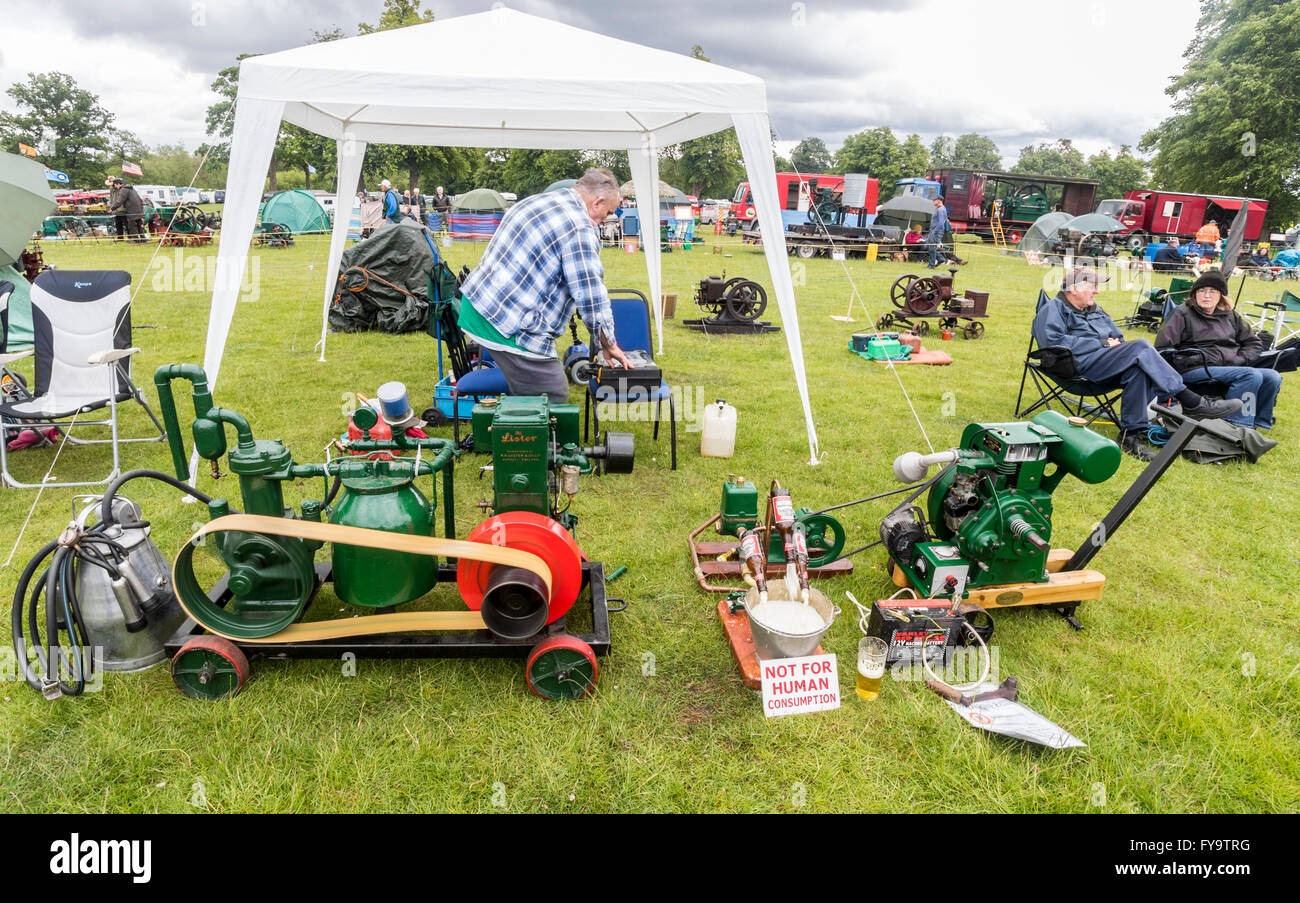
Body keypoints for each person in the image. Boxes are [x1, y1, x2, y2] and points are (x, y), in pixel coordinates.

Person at [458, 168, 631, 404]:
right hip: (506, 323)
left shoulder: (540, 200)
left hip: (478, 305)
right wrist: (608, 343)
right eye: (606, 214)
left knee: (532, 394)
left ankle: (515, 431)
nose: (602, 222)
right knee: (551, 395)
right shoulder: (580, 227)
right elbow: (590, 294)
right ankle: (527, 440)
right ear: (597, 201)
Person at [1033, 266, 1242, 460]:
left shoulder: (1095, 310)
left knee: (1138, 369)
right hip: (1076, 367)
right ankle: (1190, 400)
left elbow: (1118, 337)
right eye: (1092, 286)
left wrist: (1114, 346)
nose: (1097, 291)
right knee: (1141, 346)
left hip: (1104, 364)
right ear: (1075, 288)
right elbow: (1052, 342)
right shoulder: (1054, 308)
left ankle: (1130, 436)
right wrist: (1101, 343)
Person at [1156, 272, 1284, 430]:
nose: (1206, 296)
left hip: (1229, 366)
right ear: (1194, 294)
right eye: (1201, 291)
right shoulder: (1181, 314)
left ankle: (1261, 423)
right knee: (1250, 375)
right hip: (1193, 368)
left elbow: (1254, 343)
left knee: (1273, 376)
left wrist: (1239, 360)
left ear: (1221, 296)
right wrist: (1190, 359)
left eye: (1212, 291)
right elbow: (1163, 348)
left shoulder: (1230, 316)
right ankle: (1235, 426)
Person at [926, 196, 949, 269]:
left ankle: (931, 265)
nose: (933, 202)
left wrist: (934, 231)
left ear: (939, 201)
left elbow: (941, 223)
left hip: (936, 232)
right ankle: (940, 258)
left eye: (934, 200)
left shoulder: (941, 210)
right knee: (929, 247)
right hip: (933, 231)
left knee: (932, 247)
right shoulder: (938, 209)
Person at [106, 177, 127, 242]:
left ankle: (131, 238)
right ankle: (120, 238)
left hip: (122, 210)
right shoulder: (112, 189)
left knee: (126, 224)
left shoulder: (122, 189)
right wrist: (111, 207)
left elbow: (120, 200)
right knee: (118, 225)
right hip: (115, 210)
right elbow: (112, 199)